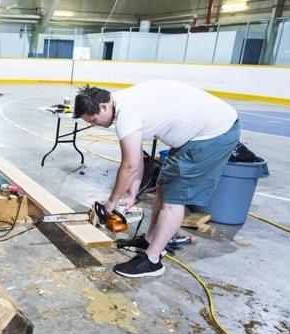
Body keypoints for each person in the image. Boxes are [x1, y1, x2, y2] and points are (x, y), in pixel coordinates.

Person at [73, 80, 240, 278]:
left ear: (103, 106)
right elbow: (137, 159)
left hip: (213, 134)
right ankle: (151, 239)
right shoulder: (121, 103)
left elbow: (129, 166)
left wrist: (111, 202)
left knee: (173, 199)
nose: (94, 125)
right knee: (163, 186)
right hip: (198, 132)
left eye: (93, 120)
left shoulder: (127, 113)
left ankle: (152, 260)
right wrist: (131, 194)